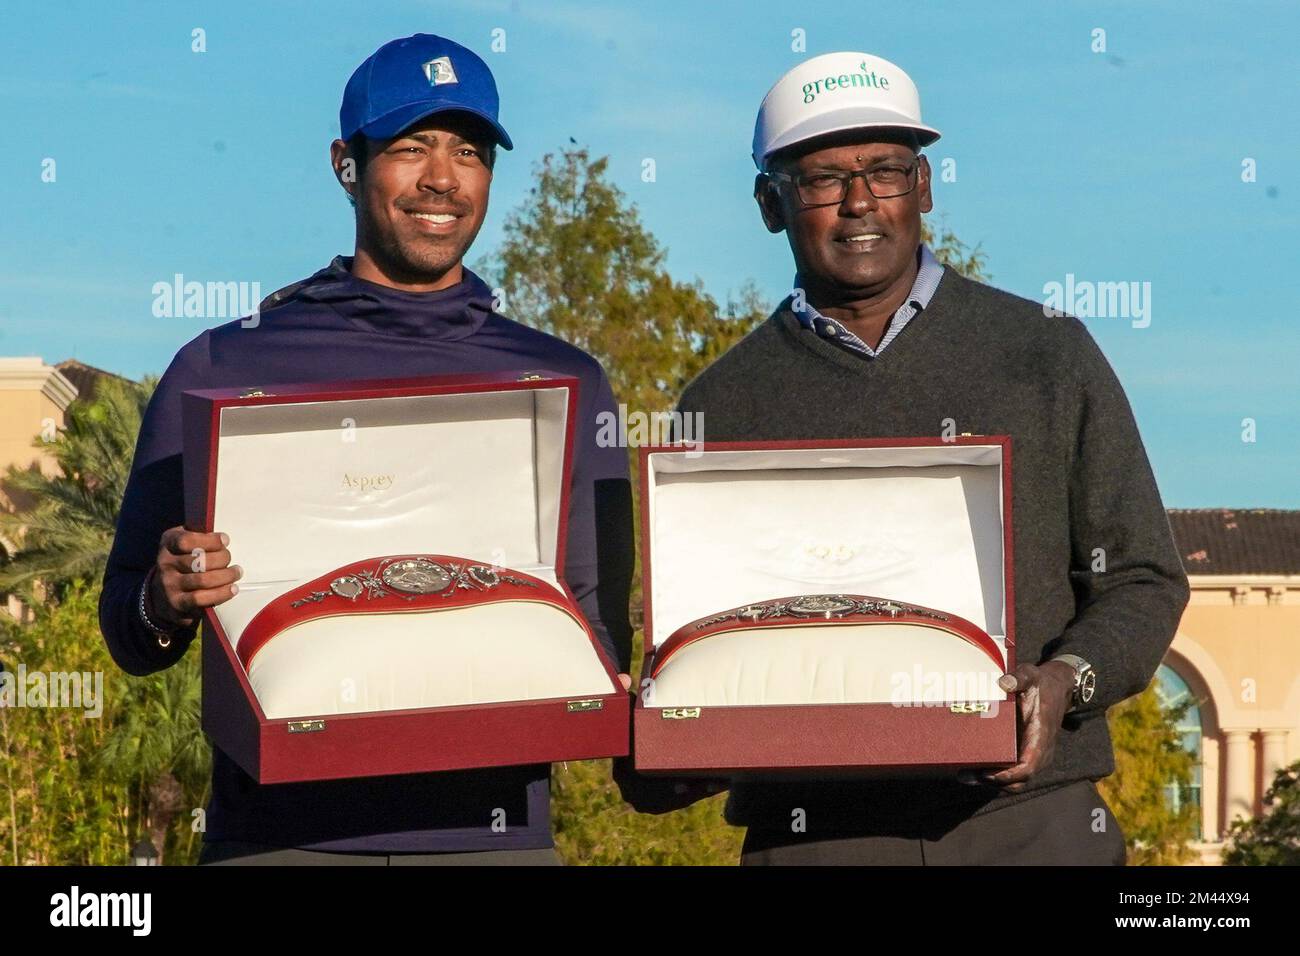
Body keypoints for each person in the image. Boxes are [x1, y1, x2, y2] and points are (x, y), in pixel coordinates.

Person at [619, 51, 1190, 865]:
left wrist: (1064, 681)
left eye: (886, 171)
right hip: (813, 836)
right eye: (821, 178)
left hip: (1034, 826)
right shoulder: (720, 404)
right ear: (768, 203)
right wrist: (671, 740)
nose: (860, 202)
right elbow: (699, 650)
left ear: (923, 187)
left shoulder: (1047, 353)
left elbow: (1143, 579)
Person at [100, 33, 634, 865]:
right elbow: (128, 629)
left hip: (494, 845)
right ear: (346, 163)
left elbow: (595, 633)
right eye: (411, 146)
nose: (442, 179)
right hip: (275, 844)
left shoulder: (560, 381)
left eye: (469, 150)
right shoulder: (226, 363)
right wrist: (165, 601)